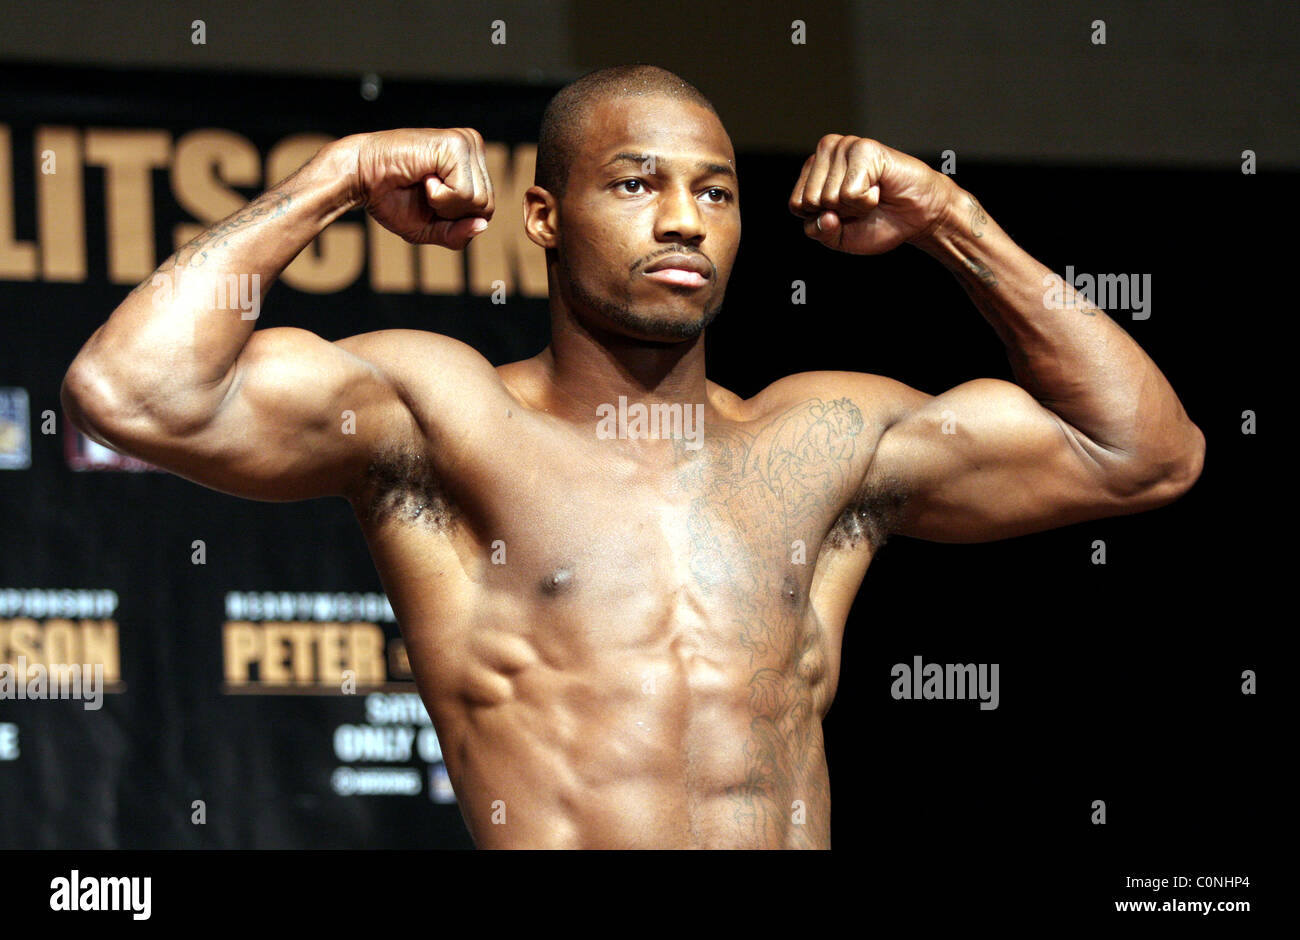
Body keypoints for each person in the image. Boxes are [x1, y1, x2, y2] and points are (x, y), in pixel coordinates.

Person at [60, 65, 1204, 848]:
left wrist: (951, 216)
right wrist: (342, 174)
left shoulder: (821, 442)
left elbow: (1144, 452)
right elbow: (131, 391)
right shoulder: (443, 416)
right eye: (635, 182)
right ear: (546, 217)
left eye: (714, 191)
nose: (681, 220)